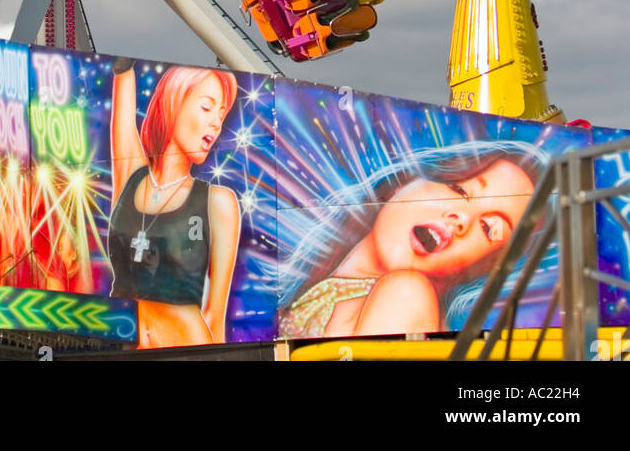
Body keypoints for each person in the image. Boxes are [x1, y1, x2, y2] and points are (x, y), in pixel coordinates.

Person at [279, 156, 536, 338]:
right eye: (459, 189)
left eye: (489, 228)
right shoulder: (317, 295)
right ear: (402, 184)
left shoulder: (406, 294)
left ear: (483, 264)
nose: (462, 220)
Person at [108, 59, 241, 348]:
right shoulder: (131, 177)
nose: (216, 123)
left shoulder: (218, 202)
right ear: (175, 101)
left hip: (186, 347)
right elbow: (123, 80)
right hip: (120, 343)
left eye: (222, 114)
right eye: (207, 107)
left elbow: (215, 315)